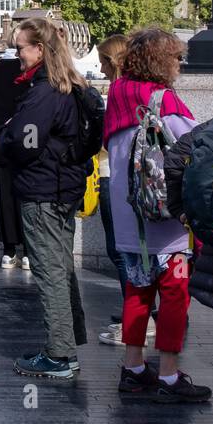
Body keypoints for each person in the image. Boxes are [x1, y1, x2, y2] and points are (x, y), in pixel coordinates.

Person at [102, 28, 209, 402]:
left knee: (137, 292)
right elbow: (197, 146)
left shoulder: (117, 94)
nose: (180, 64)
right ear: (161, 61)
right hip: (165, 218)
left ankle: (132, 369)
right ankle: (169, 375)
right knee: (175, 295)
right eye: (177, 58)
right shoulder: (164, 100)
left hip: (128, 215)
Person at [0, 17, 93, 379]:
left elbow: (24, 140)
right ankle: (68, 342)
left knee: (49, 270)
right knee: (61, 267)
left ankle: (60, 354)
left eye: (19, 48)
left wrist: (4, 136)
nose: (16, 54)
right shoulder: (72, 86)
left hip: (42, 191)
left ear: (39, 49)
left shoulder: (43, 91)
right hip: (64, 187)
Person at [95, 35, 150, 347]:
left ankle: (139, 320)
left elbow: (109, 141)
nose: (101, 69)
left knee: (120, 252)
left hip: (114, 177)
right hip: (135, 180)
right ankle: (141, 315)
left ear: (113, 61)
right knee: (133, 252)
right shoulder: (140, 90)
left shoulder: (119, 92)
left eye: (103, 62)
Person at [0, 53, 29, 269]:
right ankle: (29, 251)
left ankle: (9, 249)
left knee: (6, 192)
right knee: (29, 192)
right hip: (27, 137)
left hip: (1, 137)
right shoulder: (30, 67)